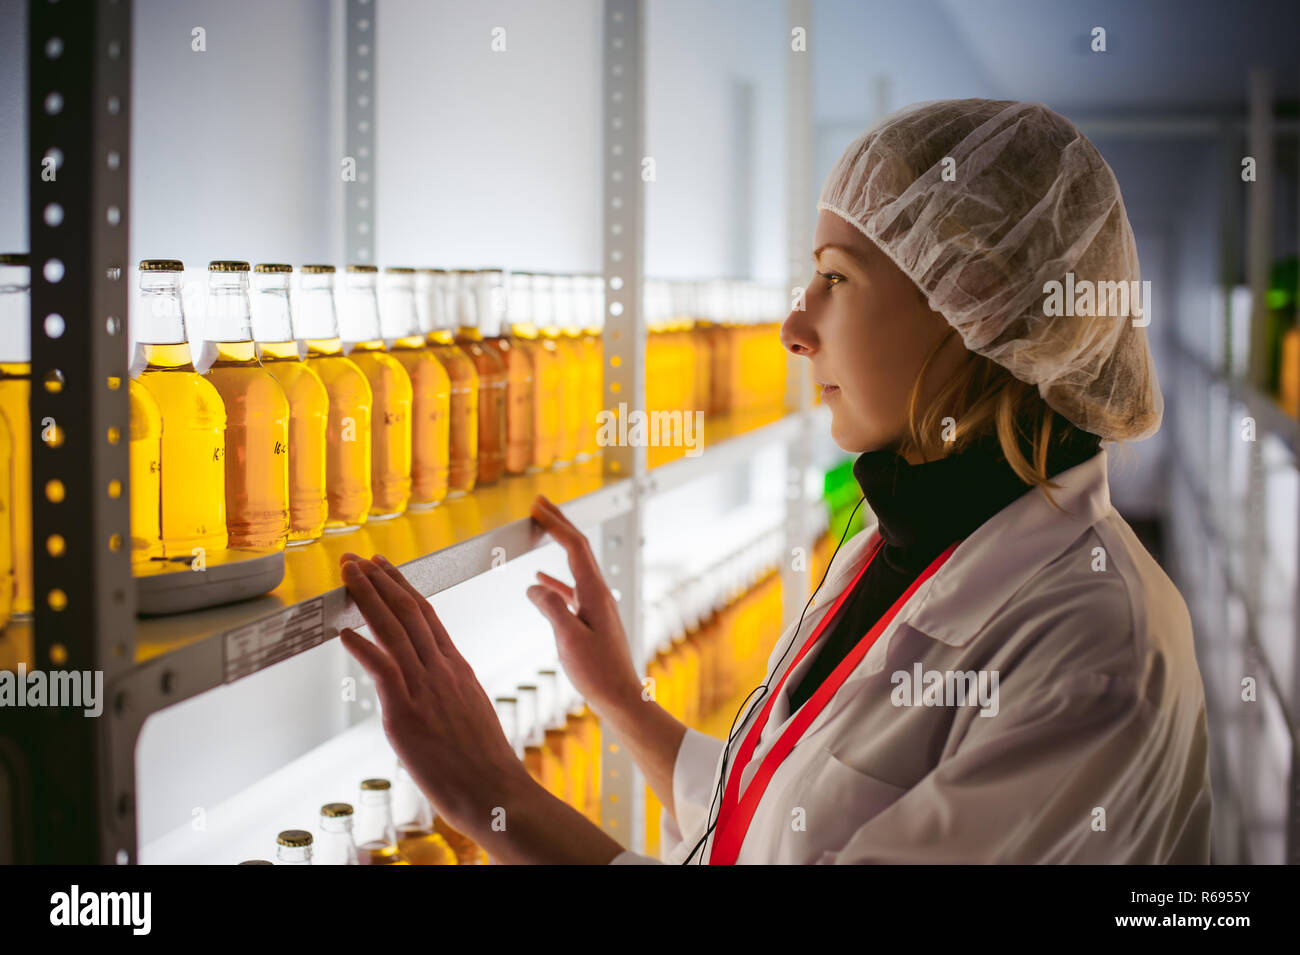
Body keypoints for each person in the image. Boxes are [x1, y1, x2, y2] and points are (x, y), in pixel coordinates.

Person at [337, 98, 1212, 864]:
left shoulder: (1094, 651)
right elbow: (783, 812)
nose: (794, 325)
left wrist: (500, 798)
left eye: (835, 277)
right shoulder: (906, 530)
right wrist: (619, 699)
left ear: (973, 301)